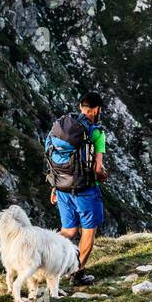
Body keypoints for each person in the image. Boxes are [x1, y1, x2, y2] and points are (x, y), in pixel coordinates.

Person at [45, 90, 107, 287]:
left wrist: (55, 186)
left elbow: (53, 158)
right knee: (88, 231)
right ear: (97, 110)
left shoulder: (61, 127)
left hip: (62, 187)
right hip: (86, 190)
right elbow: (98, 168)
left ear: (81, 107)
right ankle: (78, 274)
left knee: (68, 230)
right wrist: (103, 175)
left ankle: (46, 264)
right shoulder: (96, 133)